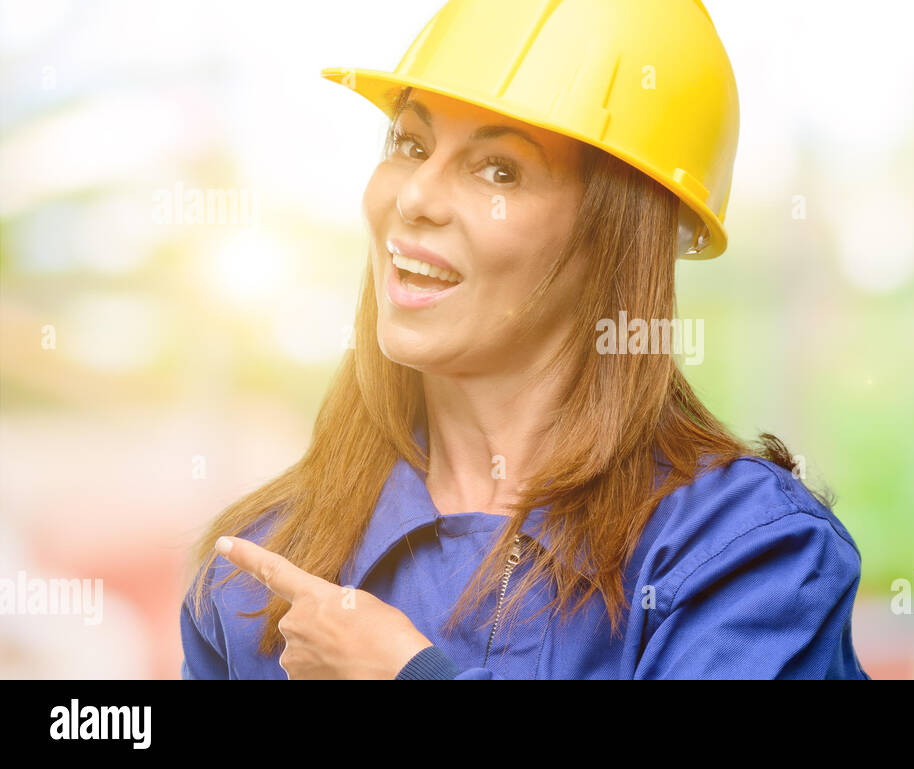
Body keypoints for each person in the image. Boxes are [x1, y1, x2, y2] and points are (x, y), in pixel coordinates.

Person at [180, 0, 870, 680]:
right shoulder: (257, 576)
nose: (415, 197)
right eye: (411, 145)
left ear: (616, 235)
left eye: (499, 170)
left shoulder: (746, 556)